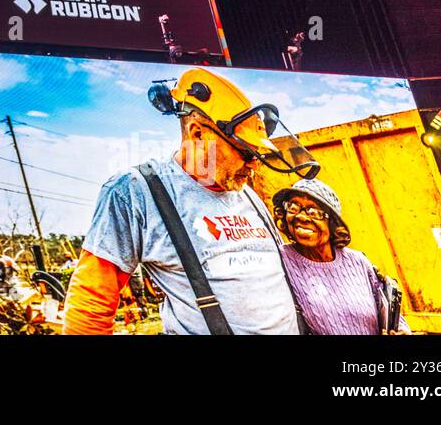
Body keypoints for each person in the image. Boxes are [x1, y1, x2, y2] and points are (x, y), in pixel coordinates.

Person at [62, 68, 320, 335]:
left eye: (257, 154)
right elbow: (89, 306)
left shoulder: (247, 195)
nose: (254, 165)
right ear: (197, 133)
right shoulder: (137, 192)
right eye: (245, 152)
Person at [273, 179, 410, 335]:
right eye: (294, 207)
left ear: (333, 223)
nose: (302, 217)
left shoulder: (357, 261)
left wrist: (401, 330)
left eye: (314, 211)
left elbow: (387, 307)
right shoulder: (279, 260)